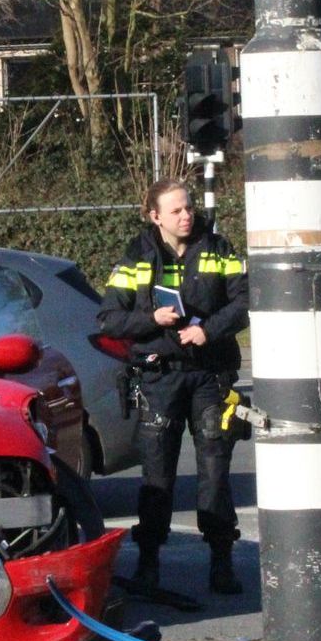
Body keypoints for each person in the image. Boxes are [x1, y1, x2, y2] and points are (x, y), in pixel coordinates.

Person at [98, 178, 249, 595]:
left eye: (189, 208)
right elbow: (109, 318)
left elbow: (243, 302)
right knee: (157, 477)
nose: (187, 216)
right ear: (155, 217)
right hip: (159, 377)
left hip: (208, 375)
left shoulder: (218, 249)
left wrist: (209, 332)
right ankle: (149, 564)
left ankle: (221, 562)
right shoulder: (137, 256)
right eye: (177, 211)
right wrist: (153, 320)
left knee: (215, 472)